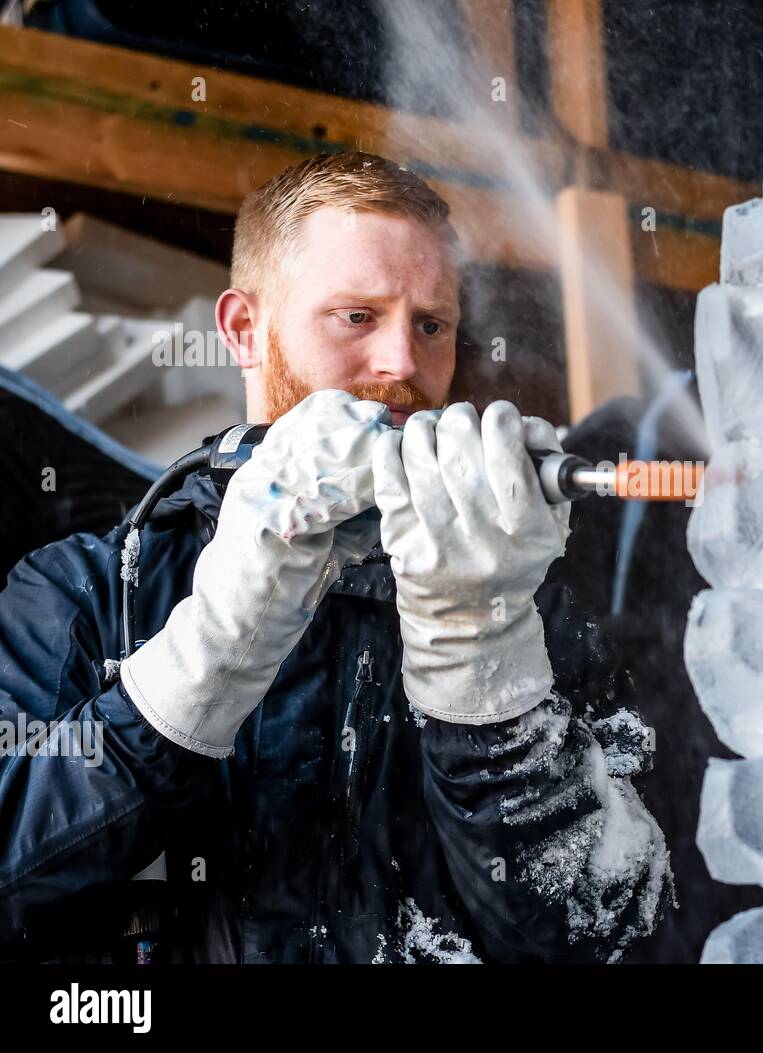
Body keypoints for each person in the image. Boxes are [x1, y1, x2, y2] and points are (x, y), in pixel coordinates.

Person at [0, 152, 672, 963]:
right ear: (245, 331)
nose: (401, 364)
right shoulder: (88, 593)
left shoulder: (533, 619)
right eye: (357, 316)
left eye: (431, 325)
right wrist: (200, 664)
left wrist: (485, 669)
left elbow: (616, 938)